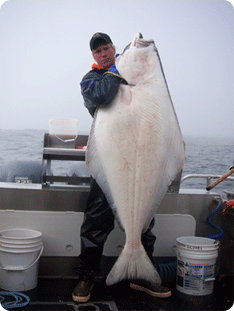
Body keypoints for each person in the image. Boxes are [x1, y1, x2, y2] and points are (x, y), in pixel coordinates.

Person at [72, 33, 171, 303]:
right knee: (94, 226)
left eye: (106, 48)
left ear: (114, 49)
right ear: (93, 57)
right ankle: (87, 277)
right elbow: (102, 97)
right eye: (98, 52)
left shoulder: (136, 78)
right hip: (112, 165)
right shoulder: (91, 80)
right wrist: (116, 72)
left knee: (144, 225)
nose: (103, 54)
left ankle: (142, 275)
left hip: (141, 163)